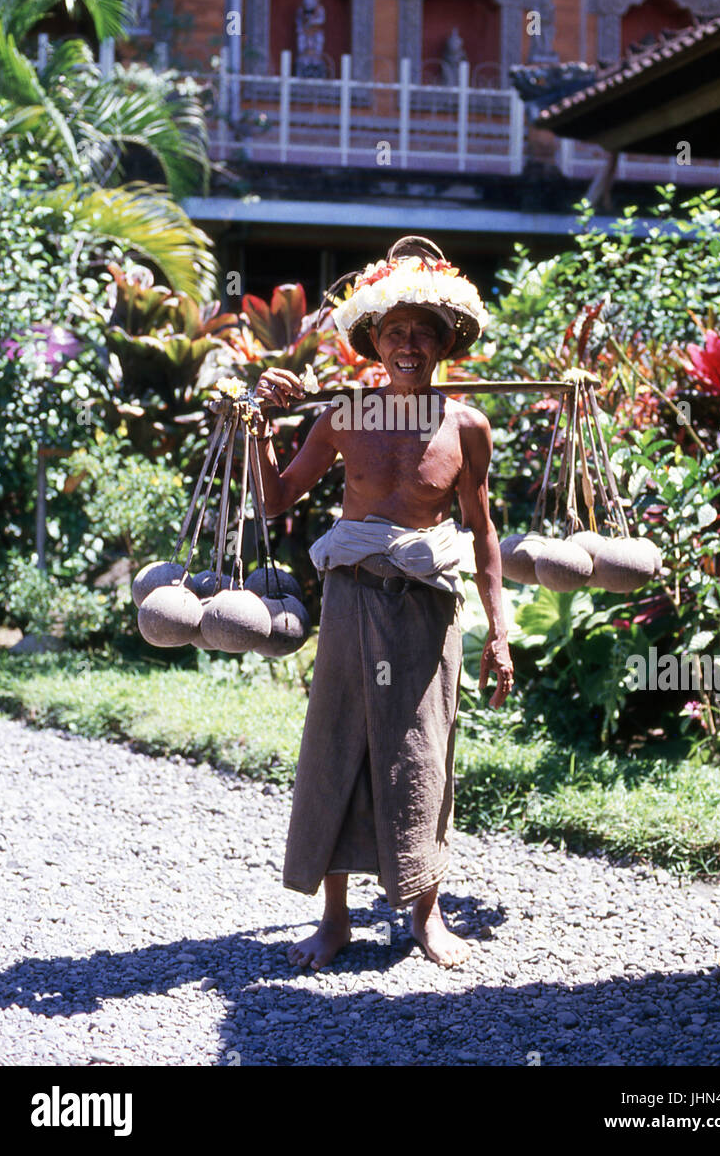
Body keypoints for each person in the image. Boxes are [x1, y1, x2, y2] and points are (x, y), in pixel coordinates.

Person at [252, 237, 513, 969]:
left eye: (423, 330)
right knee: (341, 746)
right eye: (395, 330)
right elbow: (276, 499)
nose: (408, 344)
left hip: (426, 611)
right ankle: (335, 920)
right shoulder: (342, 417)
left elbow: (484, 532)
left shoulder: (466, 427)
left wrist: (500, 631)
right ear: (374, 341)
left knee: (424, 752)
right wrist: (258, 427)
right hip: (351, 602)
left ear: (444, 341)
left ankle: (425, 915)